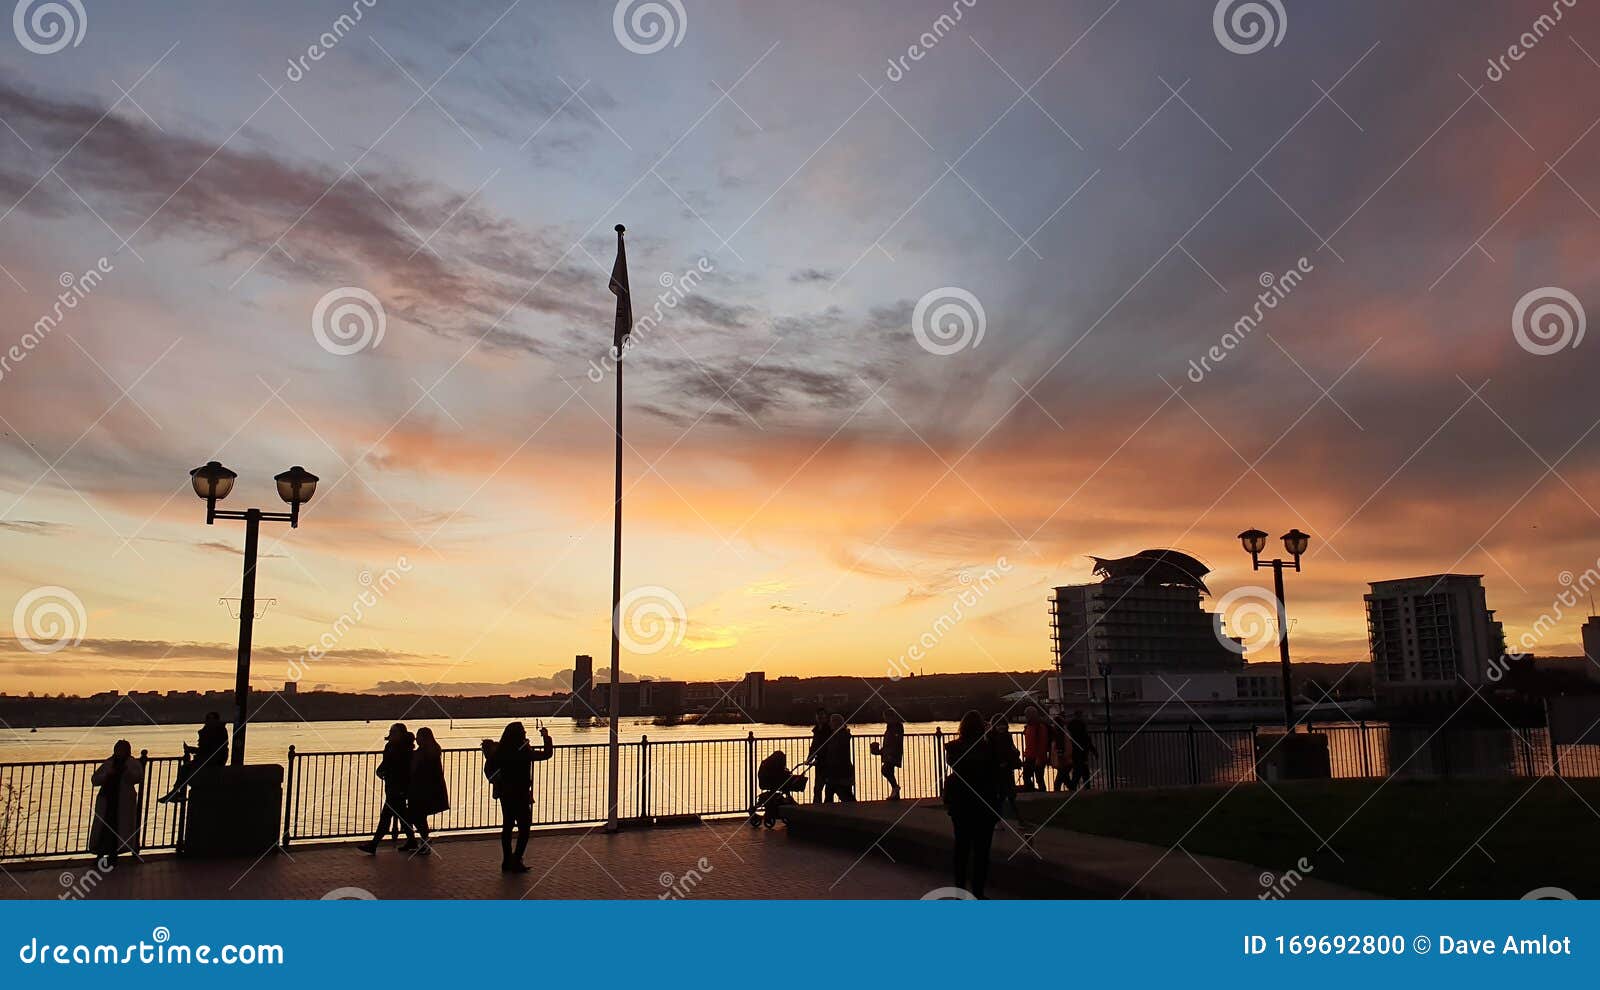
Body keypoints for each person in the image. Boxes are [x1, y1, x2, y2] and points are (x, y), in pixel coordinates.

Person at [483, 721, 553, 873]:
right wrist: (546, 737)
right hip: (520, 793)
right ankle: (516, 858)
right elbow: (546, 754)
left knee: (507, 825)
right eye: (523, 731)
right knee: (524, 827)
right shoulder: (522, 751)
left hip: (505, 794)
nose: (525, 733)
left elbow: (489, 768)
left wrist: (497, 781)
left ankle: (507, 860)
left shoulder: (500, 752)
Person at [944, 711, 999, 898]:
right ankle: (979, 891)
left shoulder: (952, 749)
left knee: (961, 850)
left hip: (960, 805)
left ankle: (959, 890)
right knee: (982, 852)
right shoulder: (989, 749)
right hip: (984, 804)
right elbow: (994, 776)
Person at [357, 723, 416, 854]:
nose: (392, 734)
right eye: (391, 732)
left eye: (395, 732)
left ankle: (374, 844)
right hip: (391, 785)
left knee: (387, 815)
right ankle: (412, 840)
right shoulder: (390, 746)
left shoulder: (405, 749)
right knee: (402, 815)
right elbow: (386, 763)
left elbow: (405, 768)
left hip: (399, 787)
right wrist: (380, 770)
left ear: (401, 734)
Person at [90, 740, 143, 863]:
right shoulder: (109, 763)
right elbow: (95, 779)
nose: (119, 752)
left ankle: (114, 854)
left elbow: (138, 777)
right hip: (107, 800)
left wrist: (127, 773)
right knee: (103, 828)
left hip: (123, 801)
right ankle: (101, 853)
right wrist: (107, 775)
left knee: (118, 827)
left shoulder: (132, 763)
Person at [158, 712, 227, 804]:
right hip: (212, 759)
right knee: (186, 768)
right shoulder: (216, 729)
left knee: (185, 768)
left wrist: (191, 749)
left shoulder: (214, 730)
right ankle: (176, 792)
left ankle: (176, 792)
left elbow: (207, 749)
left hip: (212, 760)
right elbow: (207, 749)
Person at [407, 726, 449, 855]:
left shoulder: (423, 753)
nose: (416, 739)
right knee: (419, 816)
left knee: (415, 816)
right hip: (429, 789)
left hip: (421, 789)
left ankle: (424, 841)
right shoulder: (433, 750)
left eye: (418, 736)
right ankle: (424, 841)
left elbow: (416, 770)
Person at [751, 749, 806, 827]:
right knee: (786, 786)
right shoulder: (774, 767)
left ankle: (786, 808)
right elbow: (780, 773)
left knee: (782, 789)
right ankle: (786, 810)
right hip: (775, 781)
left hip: (773, 781)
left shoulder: (769, 764)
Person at [989, 714, 1023, 824]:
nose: (1001, 727)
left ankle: (1012, 819)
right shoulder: (992, 738)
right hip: (998, 771)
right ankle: (1016, 819)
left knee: (1007, 795)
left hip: (1006, 769)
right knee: (1003, 795)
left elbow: (1011, 750)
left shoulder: (1006, 737)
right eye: (999, 725)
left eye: (1003, 725)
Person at [818, 713, 856, 802]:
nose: (829, 724)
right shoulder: (839, 735)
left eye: (831, 722)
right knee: (834, 793)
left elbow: (836, 752)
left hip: (839, 771)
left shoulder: (841, 735)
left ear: (836, 723)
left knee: (843, 795)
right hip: (836, 770)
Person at [1066, 709, 1097, 791]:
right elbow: (1087, 740)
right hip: (1082, 751)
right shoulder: (1082, 725)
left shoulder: (1071, 725)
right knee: (1082, 771)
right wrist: (1094, 751)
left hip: (1075, 751)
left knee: (1078, 770)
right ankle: (1084, 788)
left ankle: (1074, 787)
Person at [1021, 706, 1050, 793]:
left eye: (1027, 714)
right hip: (1030, 756)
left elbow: (1042, 744)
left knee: (1038, 778)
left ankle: (1040, 794)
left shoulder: (1040, 727)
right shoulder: (1030, 726)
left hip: (1037, 757)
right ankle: (1034, 792)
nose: (1026, 716)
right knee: (1028, 776)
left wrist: (1039, 758)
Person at [878, 713, 904, 800]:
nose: (885, 719)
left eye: (886, 717)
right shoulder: (891, 726)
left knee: (885, 769)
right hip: (890, 752)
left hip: (892, 753)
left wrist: (888, 751)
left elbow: (895, 740)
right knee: (889, 770)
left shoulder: (896, 727)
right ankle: (895, 792)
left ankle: (895, 787)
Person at [807, 708, 829, 803]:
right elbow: (814, 745)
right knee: (819, 787)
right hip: (820, 761)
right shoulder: (817, 730)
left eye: (822, 715)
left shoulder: (828, 729)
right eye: (819, 715)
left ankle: (819, 805)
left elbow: (815, 746)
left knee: (823, 787)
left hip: (827, 761)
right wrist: (809, 758)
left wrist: (811, 757)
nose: (820, 717)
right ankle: (818, 805)